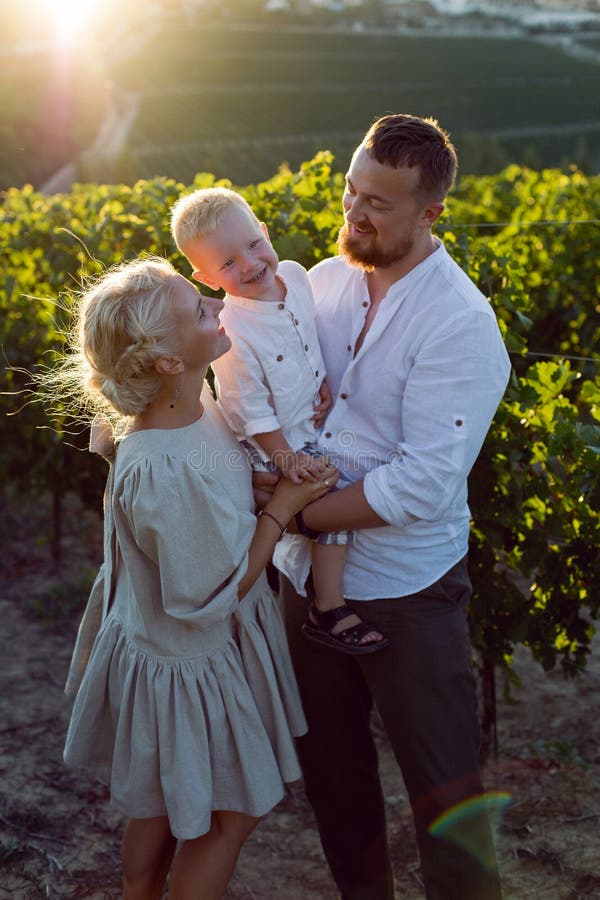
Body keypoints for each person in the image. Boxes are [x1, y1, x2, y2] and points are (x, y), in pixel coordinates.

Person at [260, 114, 511, 899]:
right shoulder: (320, 284)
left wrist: (296, 516)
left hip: (407, 590)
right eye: (350, 192)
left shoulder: (461, 323)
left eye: (379, 204)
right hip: (305, 584)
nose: (354, 214)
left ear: (431, 212)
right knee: (334, 781)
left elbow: (421, 484)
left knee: (447, 796)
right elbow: (276, 402)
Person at [52, 256, 338, 900]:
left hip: (162, 645)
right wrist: (283, 510)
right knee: (231, 813)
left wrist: (254, 484)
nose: (217, 304)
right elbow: (216, 590)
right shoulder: (160, 464)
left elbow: (214, 479)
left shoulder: (190, 400)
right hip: (188, 660)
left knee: (156, 804)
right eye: (199, 310)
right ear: (165, 362)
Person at [170, 187, 389, 655]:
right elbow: (248, 409)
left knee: (334, 479)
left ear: (265, 232)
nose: (249, 265)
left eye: (252, 245)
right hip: (269, 440)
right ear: (205, 278)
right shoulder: (233, 327)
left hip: (303, 427)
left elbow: (307, 341)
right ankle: (327, 605)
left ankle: (314, 579)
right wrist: (284, 458)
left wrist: (321, 384)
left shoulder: (295, 276)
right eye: (227, 264)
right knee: (332, 488)